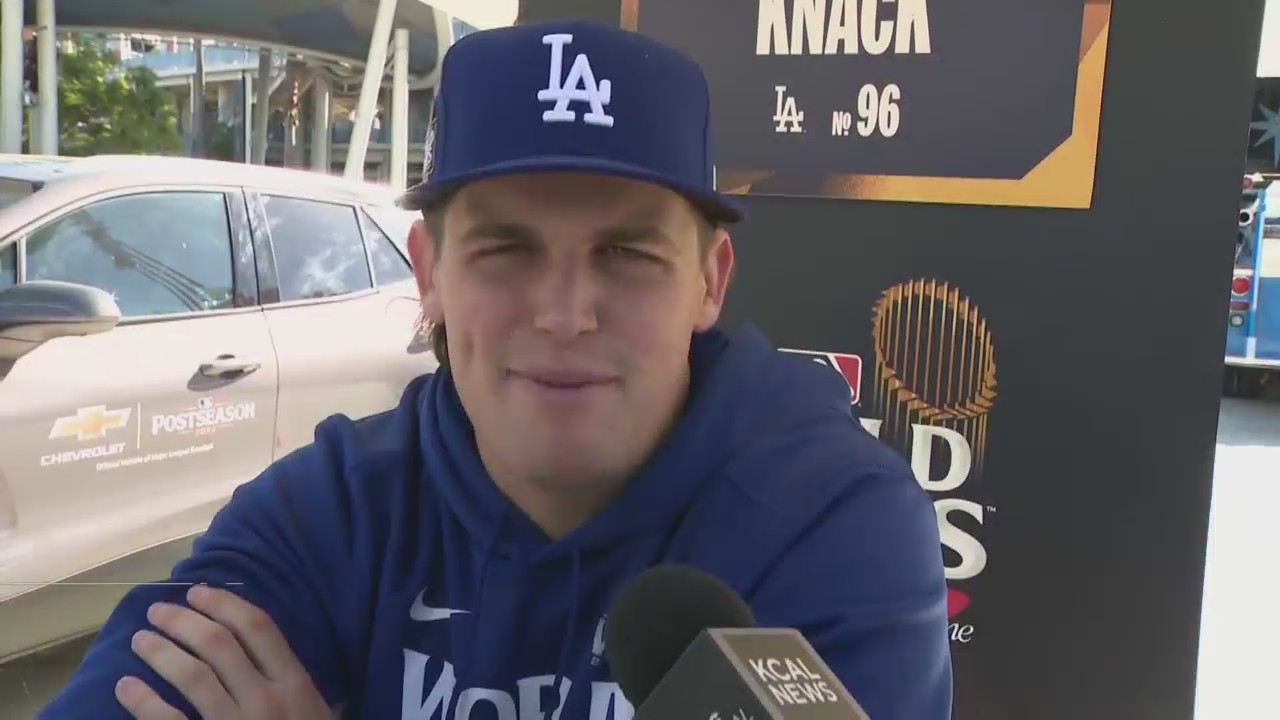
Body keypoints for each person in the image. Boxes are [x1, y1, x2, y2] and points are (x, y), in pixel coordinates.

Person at [40, 19, 952, 720]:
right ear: (431, 274)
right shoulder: (329, 511)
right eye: (506, 250)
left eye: (627, 255)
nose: (564, 314)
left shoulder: (834, 523)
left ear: (709, 283)